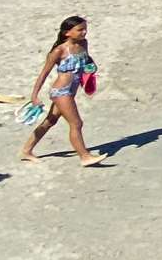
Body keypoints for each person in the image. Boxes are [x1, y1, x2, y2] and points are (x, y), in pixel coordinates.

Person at [20, 15, 107, 166]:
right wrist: (34, 96)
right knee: (77, 123)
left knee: (50, 121)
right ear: (67, 32)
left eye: (85, 29)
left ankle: (27, 150)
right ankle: (85, 157)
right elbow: (43, 74)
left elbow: (86, 59)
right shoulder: (59, 51)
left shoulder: (83, 44)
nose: (84, 32)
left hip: (71, 91)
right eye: (80, 30)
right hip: (61, 92)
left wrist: (90, 67)